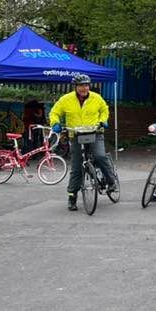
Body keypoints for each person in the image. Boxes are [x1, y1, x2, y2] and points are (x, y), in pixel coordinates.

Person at [50, 74, 117, 211]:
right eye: (81, 85)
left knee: (100, 156)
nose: (84, 88)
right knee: (76, 166)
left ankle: (111, 181)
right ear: (75, 87)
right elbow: (54, 112)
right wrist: (55, 123)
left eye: (86, 85)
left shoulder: (96, 98)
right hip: (76, 135)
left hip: (95, 133)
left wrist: (103, 121)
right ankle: (72, 197)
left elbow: (104, 110)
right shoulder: (66, 99)